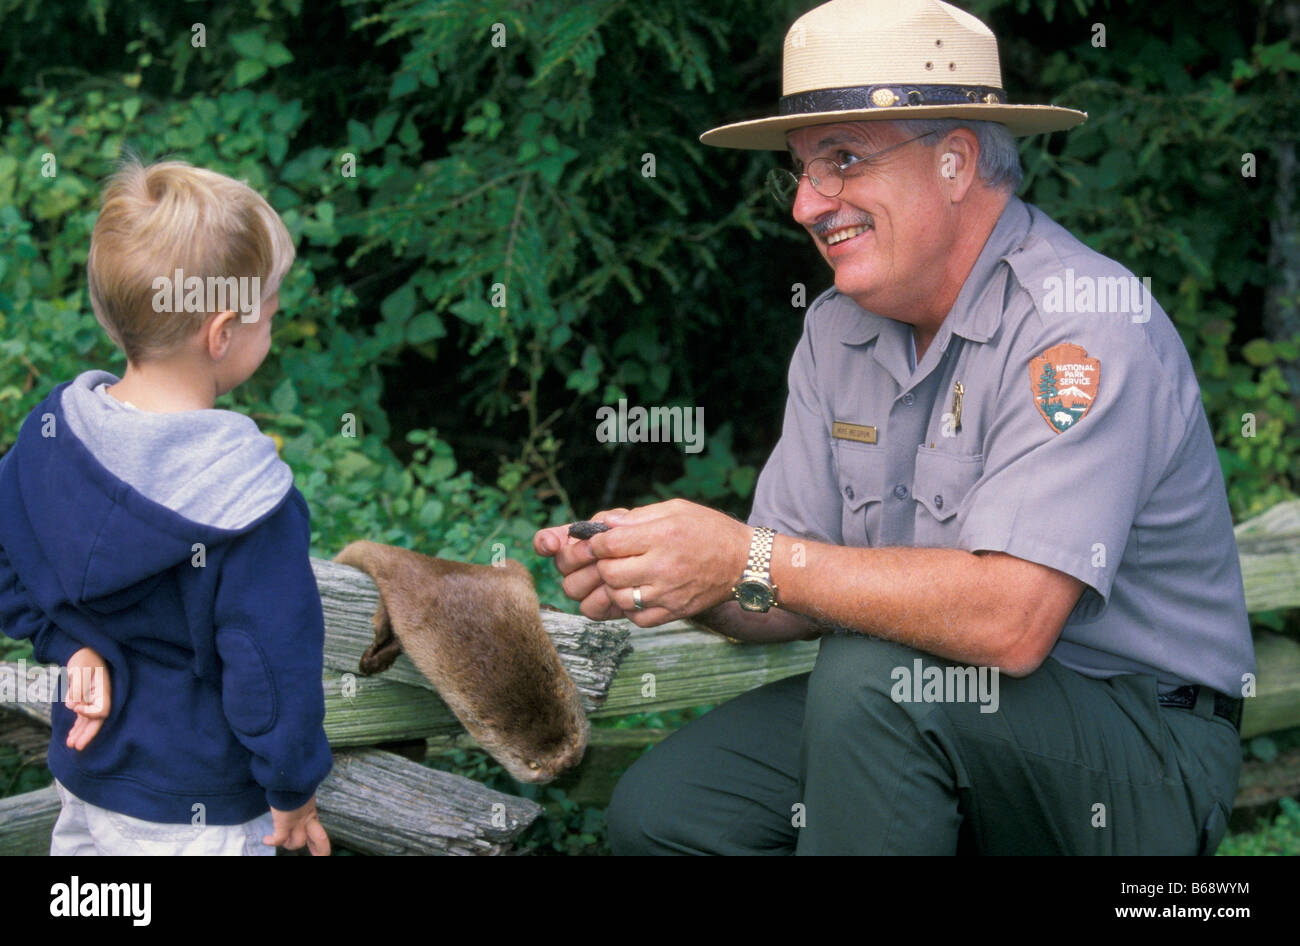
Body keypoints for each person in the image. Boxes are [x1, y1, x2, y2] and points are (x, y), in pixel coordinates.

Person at [533, 0, 1255, 854]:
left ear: (954, 162)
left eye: (842, 161)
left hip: (1141, 749)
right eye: (800, 170)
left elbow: (1010, 625)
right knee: (675, 808)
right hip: (930, 713)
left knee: (876, 681)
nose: (807, 204)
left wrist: (748, 558)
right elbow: (786, 595)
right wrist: (680, 574)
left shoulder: (1080, 323)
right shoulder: (837, 328)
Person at [0, 158, 332, 855]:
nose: (271, 329)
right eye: (268, 316)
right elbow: (269, 667)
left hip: (86, 780)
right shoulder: (249, 504)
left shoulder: (51, 439)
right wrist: (293, 790)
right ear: (221, 334)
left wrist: (70, 644)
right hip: (199, 812)